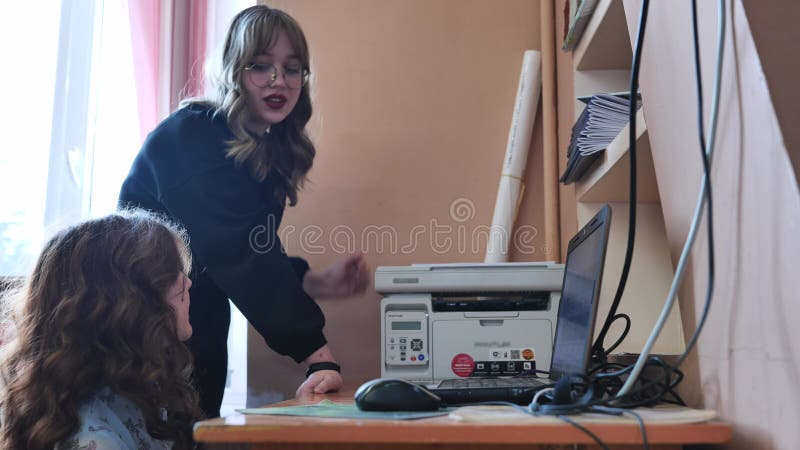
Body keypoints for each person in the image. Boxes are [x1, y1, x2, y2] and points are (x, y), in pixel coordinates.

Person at [118, 5, 370, 418]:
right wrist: (318, 355)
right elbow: (241, 254)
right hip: (140, 334)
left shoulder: (254, 154)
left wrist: (317, 282)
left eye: (292, 69)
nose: (279, 81)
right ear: (234, 71)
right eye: (260, 66)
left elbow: (255, 249)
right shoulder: (191, 138)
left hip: (196, 329)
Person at [0, 210, 202, 450]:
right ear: (124, 302)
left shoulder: (130, 399)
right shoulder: (96, 440)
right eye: (170, 273)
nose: (186, 282)